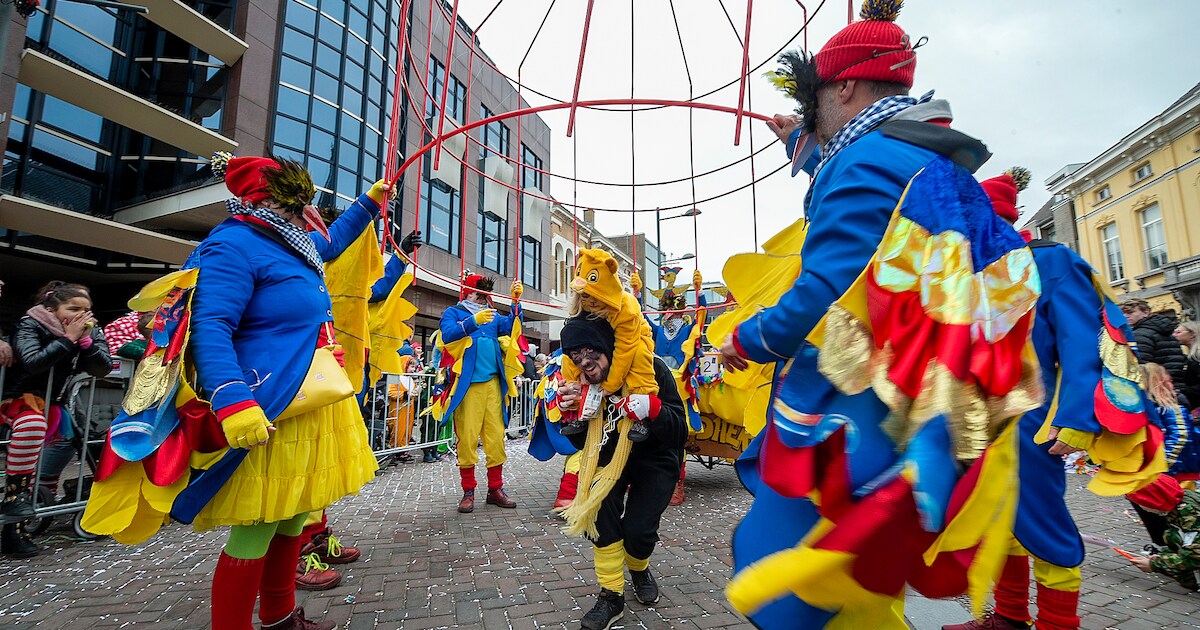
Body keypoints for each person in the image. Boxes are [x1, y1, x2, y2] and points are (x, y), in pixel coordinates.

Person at [718, 3, 1050, 627]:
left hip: (860, 396)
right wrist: (794, 135)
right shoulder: (914, 151)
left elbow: (823, 286)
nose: (813, 109)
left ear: (843, 85)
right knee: (863, 571)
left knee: (797, 571)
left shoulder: (863, 162)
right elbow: (864, 187)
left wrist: (750, 337)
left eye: (816, 94)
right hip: (922, 399)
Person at [82, 152, 384, 630]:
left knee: (292, 517)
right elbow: (210, 327)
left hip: (310, 398)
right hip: (270, 405)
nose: (308, 210)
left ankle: (281, 617)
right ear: (270, 201)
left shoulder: (292, 243)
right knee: (258, 527)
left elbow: (333, 243)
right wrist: (233, 400)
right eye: (297, 202)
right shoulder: (234, 245)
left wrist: (369, 203)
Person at [939, 170, 1163, 630]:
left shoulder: (1051, 262)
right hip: (977, 422)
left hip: (1033, 422)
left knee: (1043, 522)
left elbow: (1084, 344)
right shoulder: (967, 274)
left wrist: (1076, 417)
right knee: (995, 519)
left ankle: (1059, 624)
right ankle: (1009, 616)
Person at [557, 315, 686, 630]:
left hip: (655, 456)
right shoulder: (583, 384)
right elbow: (579, 440)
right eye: (577, 358)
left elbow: (679, 431)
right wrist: (570, 412)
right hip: (608, 456)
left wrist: (652, 408)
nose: (585, 363)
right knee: (600, 516)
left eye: (591, 352)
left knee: (639, 532)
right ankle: (611, 595)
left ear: (608, 346)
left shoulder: (651, 368)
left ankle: (639, 568)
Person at [1, 281, 111, 558]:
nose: (81, 315)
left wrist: (86, 342)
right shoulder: (31, 323)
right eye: (73, 308)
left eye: (87, 310)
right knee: (31, 425)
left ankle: (20, 525)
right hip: (19, 398)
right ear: (52, 308)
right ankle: (16, 501)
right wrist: (66, 339)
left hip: (54, 404)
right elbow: (32, 362)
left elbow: (102, 368)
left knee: (75, 441)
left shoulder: (88, 330)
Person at [434, 274, 523, 513]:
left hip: (494, 385)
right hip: (468, 386)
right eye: (479, 294)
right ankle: (468, 491)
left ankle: (495, 489)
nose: (483, 299)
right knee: (468, 439)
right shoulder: (454, 312)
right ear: (468, 292)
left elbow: (511, 326)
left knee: (496, 439)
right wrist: (473, 321)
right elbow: (448, 335)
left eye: (486, 296)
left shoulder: (492, 314)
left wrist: (515, 302)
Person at [560, 248, 658, 444]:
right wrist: (572, 387)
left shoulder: (627, 308)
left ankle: (644, 410)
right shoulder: (583, 307)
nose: (591, 301)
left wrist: (607, 387)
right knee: (569, 355)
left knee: (639, 356)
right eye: (586, 296)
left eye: (597, 295)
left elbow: (624, 351)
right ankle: (578, 409)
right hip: (601, 343)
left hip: (633, 340)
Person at [1126, 474, 1200, 591]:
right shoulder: (1181, 501)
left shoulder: (1189, 515)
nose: (1141, 507)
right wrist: (1163, 558)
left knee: (1172, 536)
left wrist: (1155, 565)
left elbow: (1195, 556)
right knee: (1171, 536)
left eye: (1141, 503)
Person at [1123, 298, 1188, 394]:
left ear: (1145, 312)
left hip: (1156, 387)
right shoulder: (1164, 330)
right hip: (1174, 384)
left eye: (1131, 312)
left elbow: (1142, 364)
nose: (1126, 316)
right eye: (1124, 313)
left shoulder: (1140, 334)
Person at [1172, 321, 1200, 412]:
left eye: (1178, 332)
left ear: (1192, 334)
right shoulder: (1190, 356)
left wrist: (1184, 390)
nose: (1174, 335)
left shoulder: (1197, 357)